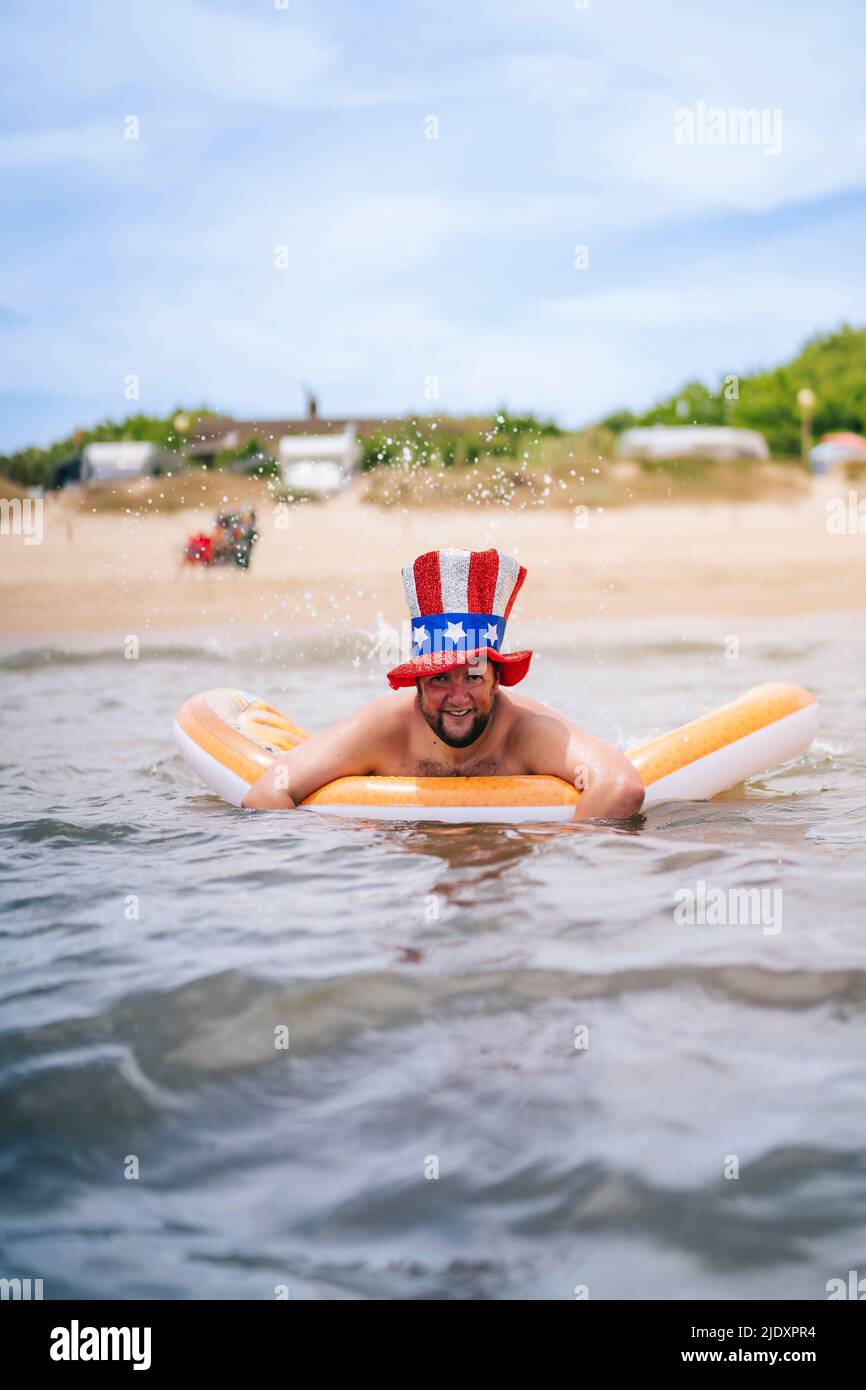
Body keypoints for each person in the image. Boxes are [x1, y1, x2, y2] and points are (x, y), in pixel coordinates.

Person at [242, 548, 645, 820]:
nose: (457, 697)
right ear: (416, 684)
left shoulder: (527, 732)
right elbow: (267, 793)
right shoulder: (384, 731)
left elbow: (621, 787)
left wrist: (563, 848)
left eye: (472, 675)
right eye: (438, 678)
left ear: (496, 679)